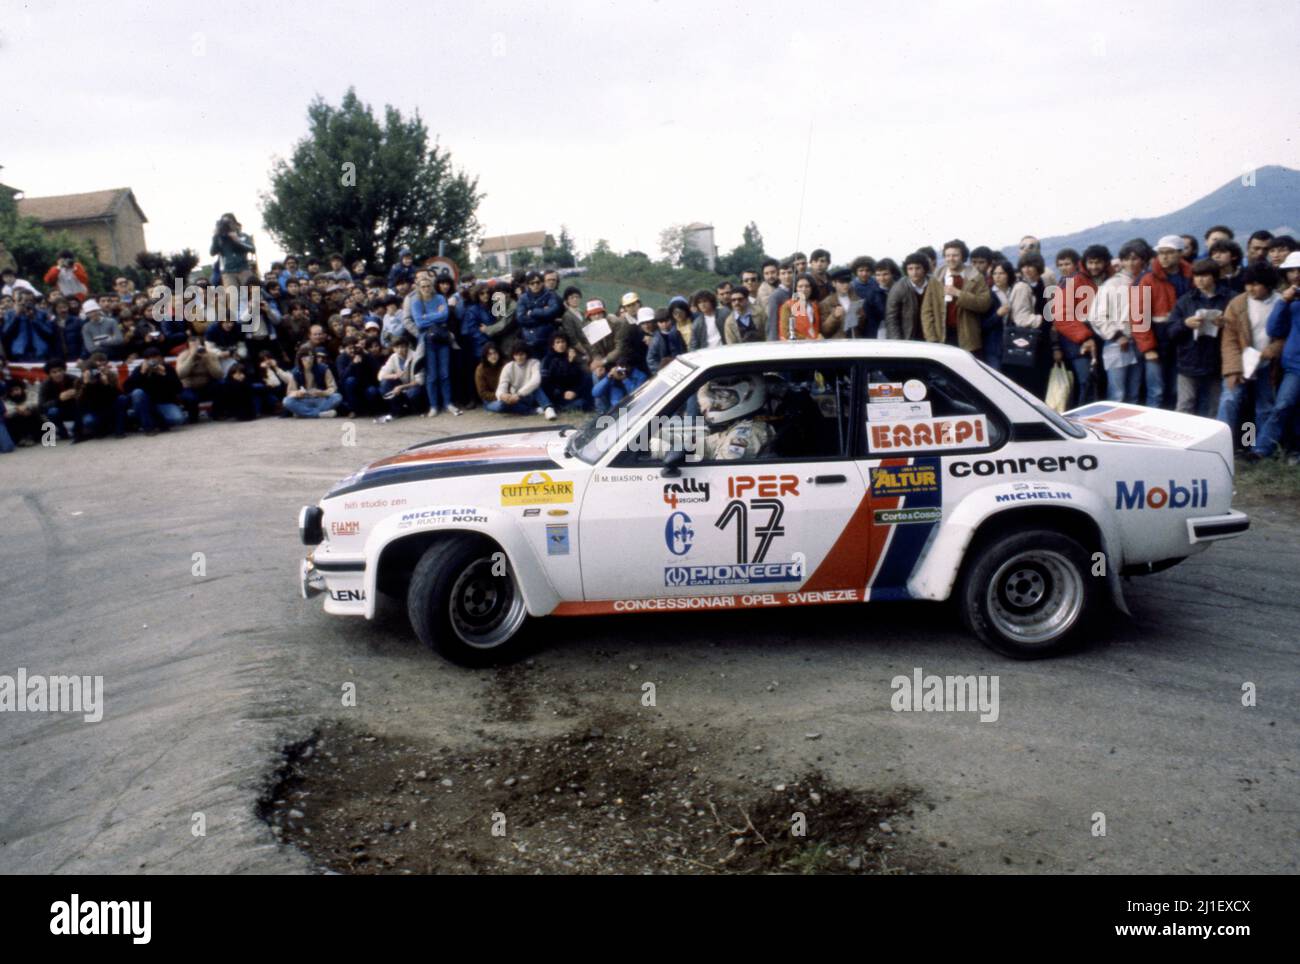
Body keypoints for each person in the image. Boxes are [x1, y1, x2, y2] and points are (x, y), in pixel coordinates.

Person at [1218, 262, 1281, 449]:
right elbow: (1229, 339)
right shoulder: (1238, 303)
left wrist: (1271, 352)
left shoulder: (1280, 303)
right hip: (1242, 363)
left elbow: (1286, 335)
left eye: (1256, 284)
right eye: (1248, 284)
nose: (1251, 289)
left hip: (1268, 365)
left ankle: (1260, 448)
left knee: (1265, 406)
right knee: (1229, 400)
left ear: (1268, 284)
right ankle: (1221, 445)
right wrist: (1233, 369)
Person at [1247, 251, 1300, 461]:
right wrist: (1283, 303)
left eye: (1299, 270)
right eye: (1291, 271)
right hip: (1295, 364)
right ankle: (1261, 450)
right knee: (1283, 405)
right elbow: (1274, 329)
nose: (1295, 275)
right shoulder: (1288, 299)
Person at [1135, 235, 1194, 409]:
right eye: (1161, 253)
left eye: (1169, 252)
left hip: (1183, 337)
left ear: (1180, 253)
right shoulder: (1148, 278)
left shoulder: (1191, 274)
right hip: (1157, 337)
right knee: (1156, 391)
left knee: (1177, 390)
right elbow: (1139, 315)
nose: (1164, 257)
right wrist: (1148, 348)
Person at [1167, 259, 1229, 417]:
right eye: (1196, 276)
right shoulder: (1185, 300)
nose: (1200, 280)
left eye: (1204, 276)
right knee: (1185, 404)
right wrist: (1185, 324)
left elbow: (1239, 327)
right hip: (1189, 359)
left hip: (1217, 359)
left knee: (1214, 405)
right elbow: (1171, 331)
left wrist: (1225, 323)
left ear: (1214, 277)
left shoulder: (1229, 298)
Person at [1089, 242, 1149, 403]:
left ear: (1143, 260)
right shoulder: (1112, 284)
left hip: (1141, 342)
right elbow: (1097, 316)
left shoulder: (1147, 281)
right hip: (1118, 343)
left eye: (1135, 259)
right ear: (1121, 261)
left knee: (1135, 392)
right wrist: (1116, 335)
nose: (1131, 263)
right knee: (1118, 394)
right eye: (1127, 259)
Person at [1004, 253, 1060, 399]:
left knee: (1041, 384)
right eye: (1024, 266)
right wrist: (1045, 320)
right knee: (1030, 386)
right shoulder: (1021, 287)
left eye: (1031, 266)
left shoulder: (1042, 283)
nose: (1027, 269)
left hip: (1042, 342)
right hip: (1027, 342)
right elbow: (1021, 318)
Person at [921, 240, 991, 349]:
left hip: (967, 337)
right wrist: (931, 338)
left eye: (955, 255)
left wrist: (958, 293)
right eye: (948, 255)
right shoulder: (937, 277)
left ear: (962, 256)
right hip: (942, 336)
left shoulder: (975, 277)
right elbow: (927, 310)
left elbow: (984, 304)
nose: (951, 259)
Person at [1053, 249, 1100, 406]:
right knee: (1085, 380)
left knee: (1085, 381)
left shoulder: (1076, 280)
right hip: (1077, 339)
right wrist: (1084, 337)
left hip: (1077, 336)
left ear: (1076, 263)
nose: (1063, 267)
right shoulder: (1071, 281)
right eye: (1060, 265)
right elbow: (1061, 316)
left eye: (1067, 263)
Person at [410, 275, 458, 416]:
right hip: (427, 340)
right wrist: (435, 315)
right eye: (423, 286)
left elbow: (444, 316)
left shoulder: (440, 298)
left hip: (442, 337)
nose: (426, 289)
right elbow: (419, 323)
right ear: (419, 288)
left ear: (432, 287)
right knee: (432, 375)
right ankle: (434, 406)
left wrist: (427, 316)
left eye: (428, 286)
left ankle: (448, 403)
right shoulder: (416, 302)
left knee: (445, 373)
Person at [695, 375, 773, 460]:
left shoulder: (744, 436)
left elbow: (721, 469)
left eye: (721, 397)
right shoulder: (742, 426)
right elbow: (715, 443)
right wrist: (691, 443)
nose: (712, 406)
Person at [124, 347, 186, 435]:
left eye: (154, 357)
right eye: (148, 358)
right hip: (145, 404)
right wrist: (142, 373)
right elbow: (127, 388)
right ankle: (148, 426)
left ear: (161, 358)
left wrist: (164, 375)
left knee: (178, 419)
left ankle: (152, 420)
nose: (152, 361)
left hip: (163, 403)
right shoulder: (139, 370)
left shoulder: (167, 368)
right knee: (138, 393)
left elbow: (179, 389)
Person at [73, 352, 129, 440]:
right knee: (89, 420)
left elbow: (117, 396)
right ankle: (99, 430)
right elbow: (80, 403)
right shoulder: (80, 381)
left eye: (102, 366)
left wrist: (106, 384)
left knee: (122, 399)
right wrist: (86, 384)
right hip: (93, 410)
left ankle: (119, 430)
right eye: (96, 367)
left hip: (108, 406)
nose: (100, 369)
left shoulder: (110, 376)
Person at [491, 343, 554, 418]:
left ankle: (548, 408)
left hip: (531, 396)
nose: (519, 357)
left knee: (536, 388)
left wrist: (519, 394)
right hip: (517, 399)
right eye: (516, 355)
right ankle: (532, 410)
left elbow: (536, 381)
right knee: (500, 405)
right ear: (513, 355)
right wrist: (502, 395)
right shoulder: (508, 367)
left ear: (526, 354)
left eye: (521, 354)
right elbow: (501, 386)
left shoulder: (534, 363)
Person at [282, 346, 342, 418]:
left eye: (311, 357)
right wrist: (298, 393)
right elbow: (290, 393)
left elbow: (333, 388)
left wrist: (322, 393)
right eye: (305, 358)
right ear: (300, 359)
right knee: (287, 401)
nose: (309, 361)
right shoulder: (296, 372)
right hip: (304, 400)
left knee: (337, 397)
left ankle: (303, 413)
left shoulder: (323, 369)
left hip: (321, 399)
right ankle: (319, 414)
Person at [515, 270, 563, 359]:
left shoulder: (549, 295)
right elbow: (521, 319)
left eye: (538, 282)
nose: (535, 285)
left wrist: (533, 312)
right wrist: (545, 317)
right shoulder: (523, 298)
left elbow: (553, 310)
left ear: (542, 283)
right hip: (530, 340)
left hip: (548, 339)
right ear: (528, 285)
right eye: (532, 283)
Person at [177, 332, 224, 422]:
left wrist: (208, 361)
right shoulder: (183, 356)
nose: (196, 349)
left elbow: (218, 375)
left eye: (198, 346)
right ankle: (193, 417)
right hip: (189, 387)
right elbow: (180, 374)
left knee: (221, 385)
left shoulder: (210, 355)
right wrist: (191, 357)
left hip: (206, 385)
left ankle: (217, 413)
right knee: (190, 397)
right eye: (193, 347)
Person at [376, 335, 425, 422]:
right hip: (401, 386)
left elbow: (420, 381)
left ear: (407, 346)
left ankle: (416, 409)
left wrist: (401, 387)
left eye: (402, 347)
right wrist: (394, 376)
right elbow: (381, 375)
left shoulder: (415, 357)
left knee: (413, 393)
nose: (399, 350)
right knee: (384, 383)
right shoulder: (393, 357)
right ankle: (397, 410)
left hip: (414, 386)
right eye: (397, 347)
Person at [3, 289, 58, 362]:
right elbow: (6, 332)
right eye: (26, 300)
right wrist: (16, 316)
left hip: (40, 352)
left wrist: (34, 319)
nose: (28, 303)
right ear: (20, 301)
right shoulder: (10, 314)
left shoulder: (42, 313)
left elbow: (49, 333)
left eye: (31, 301)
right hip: (20, 352)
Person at [885, 253, 930, 340]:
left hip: (929, 334)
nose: (914, 272)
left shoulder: (934, 284)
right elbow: (891, 318)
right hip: (908, 335)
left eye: (918, 268)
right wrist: (897, 341)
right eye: (910, 269)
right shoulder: (898, 288)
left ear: (924, 268)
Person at [541, 331, 588, 411]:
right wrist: (562, 393)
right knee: (580, 404)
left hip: (572, 393)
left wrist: (574, 391)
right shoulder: (548, 360)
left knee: (583, 402)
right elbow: (546, 383)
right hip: (557, 394)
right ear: (553, 345)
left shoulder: (571, 357)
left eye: (563, 342)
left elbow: (579, 379)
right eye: (557, 342)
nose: (561, 345)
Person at [38, 360, 78, 439]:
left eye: (60, 370)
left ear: (64, 370)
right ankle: (62, 431)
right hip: (59, 410)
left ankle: (78, 429)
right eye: (54, 372)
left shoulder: (74, 379)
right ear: (49, 374)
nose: (58, 374)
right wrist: (59, 399)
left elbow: (87, 394)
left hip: (74, 408)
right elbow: (41, 405)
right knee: (52, 411)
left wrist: (76, 393)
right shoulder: (45, 385)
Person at [820, 268, 866, 338]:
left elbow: (863, 327)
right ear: (833, 283)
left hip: (855, 340)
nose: (846, 285)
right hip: (837, 343)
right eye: (842, 282)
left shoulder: (857, 299)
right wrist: (834, 317)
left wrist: (862, 317)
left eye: (847, 282)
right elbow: (824, 331)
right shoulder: (826, 303)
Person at [777, 274, 822, 340]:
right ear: (795, 289)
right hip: (795, 346)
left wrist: (819, 335)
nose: (804, 289)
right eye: (800, 286)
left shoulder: (814, 305)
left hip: (814, 345)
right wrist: (805, 339)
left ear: (812, 288)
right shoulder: (787, 306)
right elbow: (786, 332)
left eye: (807, 286)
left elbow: (816, 328)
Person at [648, 308, 688, 373]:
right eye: (661, 322)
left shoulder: (677, 332)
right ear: (657, 323)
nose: (664, 324)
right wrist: (660, 370)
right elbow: (651, 359)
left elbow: (683, 349)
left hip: (681, 365)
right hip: (666, 370)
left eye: (666, 321)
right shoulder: (656, 339)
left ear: (671, 319)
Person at [473, 342, 505, 410]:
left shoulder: (505, 365)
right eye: (490, 354)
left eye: (495, 353)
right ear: (485, 356)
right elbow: (482, 393)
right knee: (501, 406)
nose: (493, 356)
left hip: (506, 396)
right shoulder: (480, 369)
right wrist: (500, 396)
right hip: (490, 400)